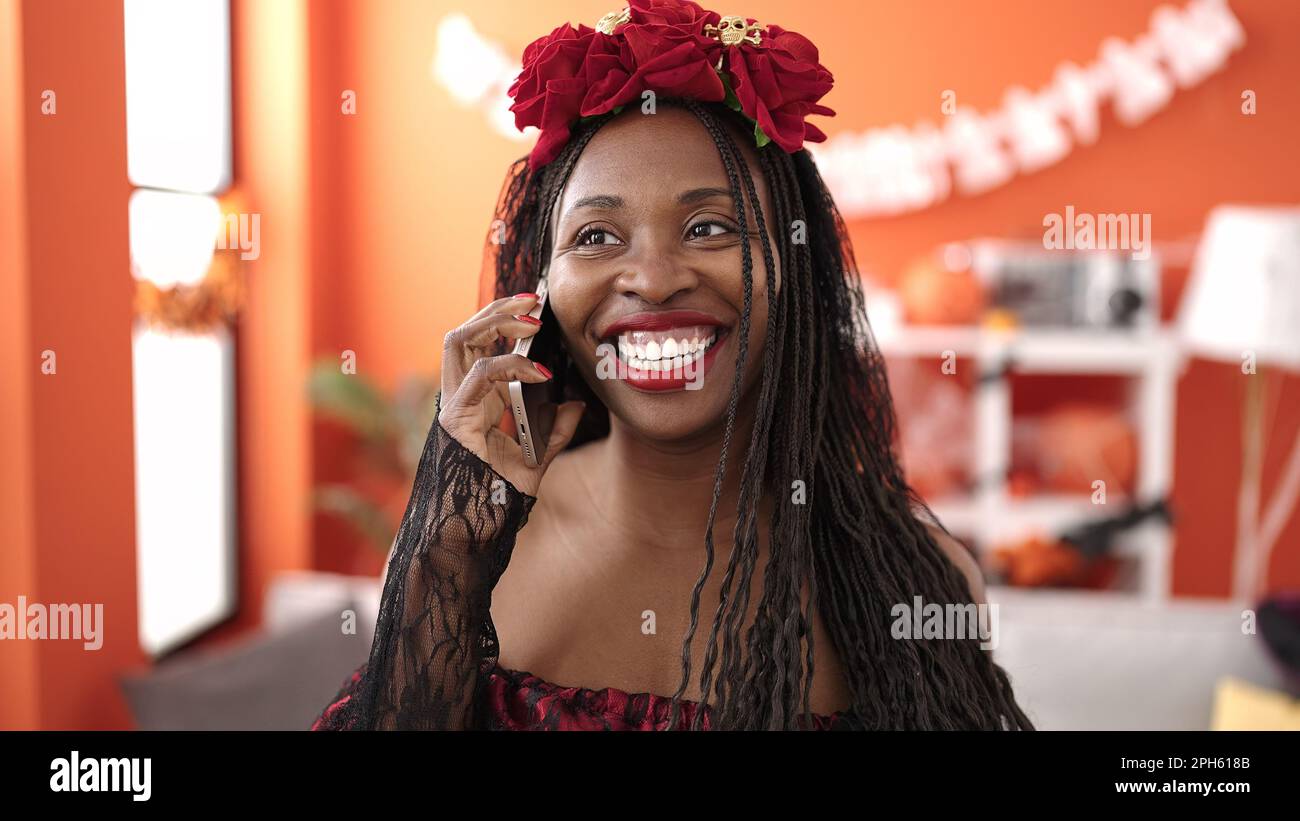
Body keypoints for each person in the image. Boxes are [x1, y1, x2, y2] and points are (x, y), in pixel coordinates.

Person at [312, 0, 1032, 731]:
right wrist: (446, 544)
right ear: (540, 290)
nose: (652, 278)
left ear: (792, 267)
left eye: (709, 226)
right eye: (597, 235)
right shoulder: (458, 555)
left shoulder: (918, 579)